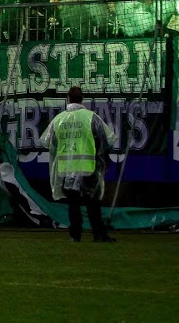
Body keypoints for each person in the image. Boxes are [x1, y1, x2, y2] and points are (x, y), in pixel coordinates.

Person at [39, 85, 115, 243]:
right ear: (82, 99)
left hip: (66, 169)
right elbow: (104, 140)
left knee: (73, 206)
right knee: (93, 204)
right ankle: (98, 234)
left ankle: (75, 235)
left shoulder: (58, 120)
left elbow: (49, 142)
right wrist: (104, 162)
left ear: (68, 98)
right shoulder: (91, 117)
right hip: (88, 168)